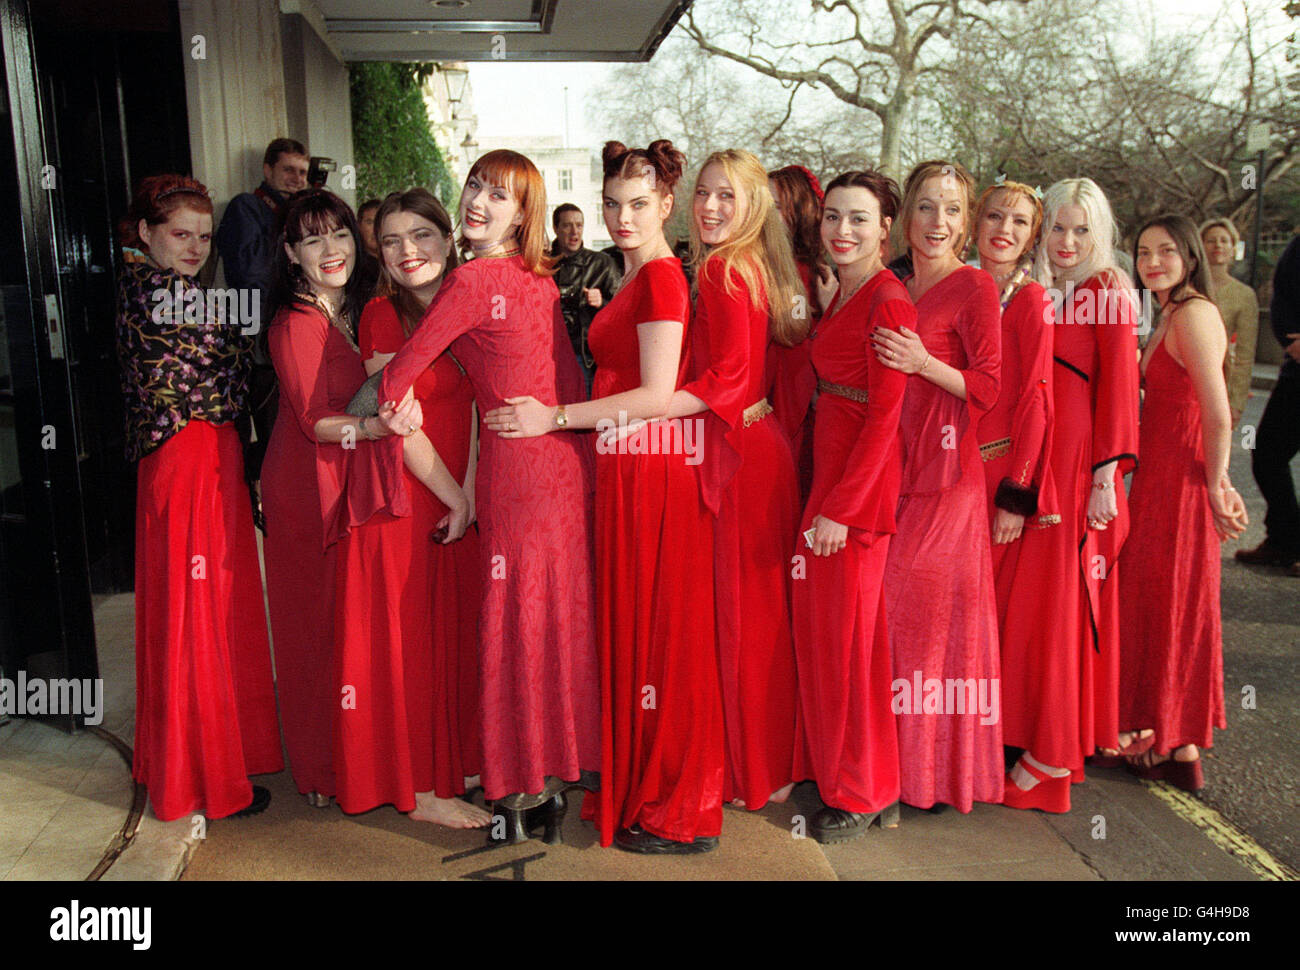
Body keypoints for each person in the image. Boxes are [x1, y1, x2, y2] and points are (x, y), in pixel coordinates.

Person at [484, 140, 724, 854]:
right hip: (624, 469)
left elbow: (653, 395)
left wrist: (551, 418)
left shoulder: (661, 281)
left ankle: (680, 807)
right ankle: (642, 787)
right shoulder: (629, 274)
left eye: (639, 205)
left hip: (652, 473)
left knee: (663, 639)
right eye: (612, 203)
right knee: (638, 635)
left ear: (667, 206)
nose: (622, 216)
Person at [376, 150, 599, 840]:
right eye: (475, 185)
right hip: (561, 468)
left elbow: (395, 380)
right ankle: (553, 774)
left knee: (518, 627)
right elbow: (569, 385)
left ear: (523, 215)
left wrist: (394, 398)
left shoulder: (475, 280)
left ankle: (522, 788)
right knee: (554, 624)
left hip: (519, 472)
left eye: (499, 196)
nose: (478, 202)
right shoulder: (535, 279)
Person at [115, 174, 281, 821]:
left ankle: (193, 762)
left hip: (194, 457)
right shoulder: (167, 297)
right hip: (191, 459)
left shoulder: (157, 289)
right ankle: (207, 780)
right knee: (197, 616)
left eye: (204, 237)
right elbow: (234, 384)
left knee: (192, 612)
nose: (194, 247)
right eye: (179, 234)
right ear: (147, 233)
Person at [260, 188, 421, 807]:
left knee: (344, 628)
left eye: (340, 234)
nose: (331, 249)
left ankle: (353, 757)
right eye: (313, 239)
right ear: (291, 252)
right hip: (306, 485)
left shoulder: (354, 309)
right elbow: (311, 419)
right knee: (311, 631)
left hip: (345, 475)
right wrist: (380, 428)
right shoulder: (295, 322)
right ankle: (320, 770)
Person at [657, 148, 806, 813]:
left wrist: (646, 407)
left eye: (728, 197)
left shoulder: (722, 268)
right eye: (704, 194)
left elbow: (725, 382)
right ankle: (767, 763)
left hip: (740, 453)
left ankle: (756, 767)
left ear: (753, 207)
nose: (712, 207)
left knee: (745, 617)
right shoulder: (750, 264)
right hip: (756, 444)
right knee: (760, 616)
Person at [336, 188, 490, 827]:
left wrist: (474, 494)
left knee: (456, 631)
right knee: (412, 641)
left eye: (421, 235)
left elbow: (484, 407)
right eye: (392, 240)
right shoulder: (379, 315)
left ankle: (455, 759)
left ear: (448, 238)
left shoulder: (472, 303)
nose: (407, 251)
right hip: (408, 499)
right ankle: (420, 787)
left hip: (463, 492)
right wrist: (457, 499)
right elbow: (397, 419)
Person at [1001, 177, 1140, 810]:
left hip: (1081, 463)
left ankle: (1052, 753)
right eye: (1058, 226)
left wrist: (1106, 477)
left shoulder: (1109, 289)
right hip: (1038, 456)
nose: (1067, 240)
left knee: (1059, 606)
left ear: (1100, 235)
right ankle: (1021, 733)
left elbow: (1119, 386)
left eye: (1082, 230)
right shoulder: (1043, 291)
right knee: (1030, 603)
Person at [872, 159, 1003, 813]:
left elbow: (988, 386)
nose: (939, 222)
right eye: (927, 206)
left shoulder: (975, 287)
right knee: (887, 623)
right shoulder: (888, 282)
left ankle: (929, 778)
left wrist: (925, 363)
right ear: (906, 216)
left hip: (948, 481)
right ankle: (886, 770)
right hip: (889, 471)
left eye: (952, 209)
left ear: (966, 221)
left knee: (923, 626)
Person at [791, 170, 909, 842]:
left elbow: (886, 417)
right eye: (833, 216)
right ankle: (844, 776)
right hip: (831, 483)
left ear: (884, 228)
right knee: (833, 644)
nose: (842, 230)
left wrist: (842, 508)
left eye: (858, 219)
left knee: (854, 649)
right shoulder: (848, 291)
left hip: (854, 500)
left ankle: (864, 792)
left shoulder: (887, 301)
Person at [1119, 215, 1248, 791]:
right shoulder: (1168, 310)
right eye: (1144, 252)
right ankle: (1169, 736)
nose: (1153, 262)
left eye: (1166, 251)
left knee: (1177, 605)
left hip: (1182, 486)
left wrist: (1218, 484)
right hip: (1157, 482)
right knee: (1157, 601)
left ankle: (1180, 743)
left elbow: (1218, 413)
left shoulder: (1194, 313)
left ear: (1190, 256)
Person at [967, 180, 1067, 811]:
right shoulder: (964, 285)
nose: (1004, 228)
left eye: (1020, 221)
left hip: (999, 478)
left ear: (1034, 236)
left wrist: (1017, 492)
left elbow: (1035, 398)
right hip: (948, 473)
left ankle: (1004, 753)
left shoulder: (1032, 301)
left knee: (999, 622)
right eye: (995, 216)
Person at [215, 138, 310, 519]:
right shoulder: (247, 207)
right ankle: (274, 515)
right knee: (269, 438)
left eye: (302, 172)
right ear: (267, 170)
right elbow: (249, 277)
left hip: (290, 337)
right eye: (288, 170)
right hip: (257, 346)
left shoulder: (297, 212)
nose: (296, 179)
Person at [1235, 233, 1300, 577]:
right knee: (1268, 455)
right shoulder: (1297, 247)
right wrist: (1292, 337)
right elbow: (1282, 300)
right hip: (1297, 374)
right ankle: (1284, 539)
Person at [768, 164, 826, 502]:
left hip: (790, 417)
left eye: (775, 207)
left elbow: (799, 362)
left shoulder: (802, 275)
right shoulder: (768, 265)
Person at [551, 202, 619, 395]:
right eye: (567, 225)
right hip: (548, 354)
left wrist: (601, 303)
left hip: (585, 357)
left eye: (579, 225)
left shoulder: (602, 264)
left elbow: (621, 313)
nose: (574, 231)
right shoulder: (541, 265)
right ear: (556, 228)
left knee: (583, 412)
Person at [1199, 219, 1258, 427]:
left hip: (1218, 384)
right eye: (1211, 240)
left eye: (1224, 241)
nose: (1218, 246)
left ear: (1233, 248)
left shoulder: (1244, 295)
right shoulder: (1185, 286)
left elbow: (1244, 354)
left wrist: (1236, 402)